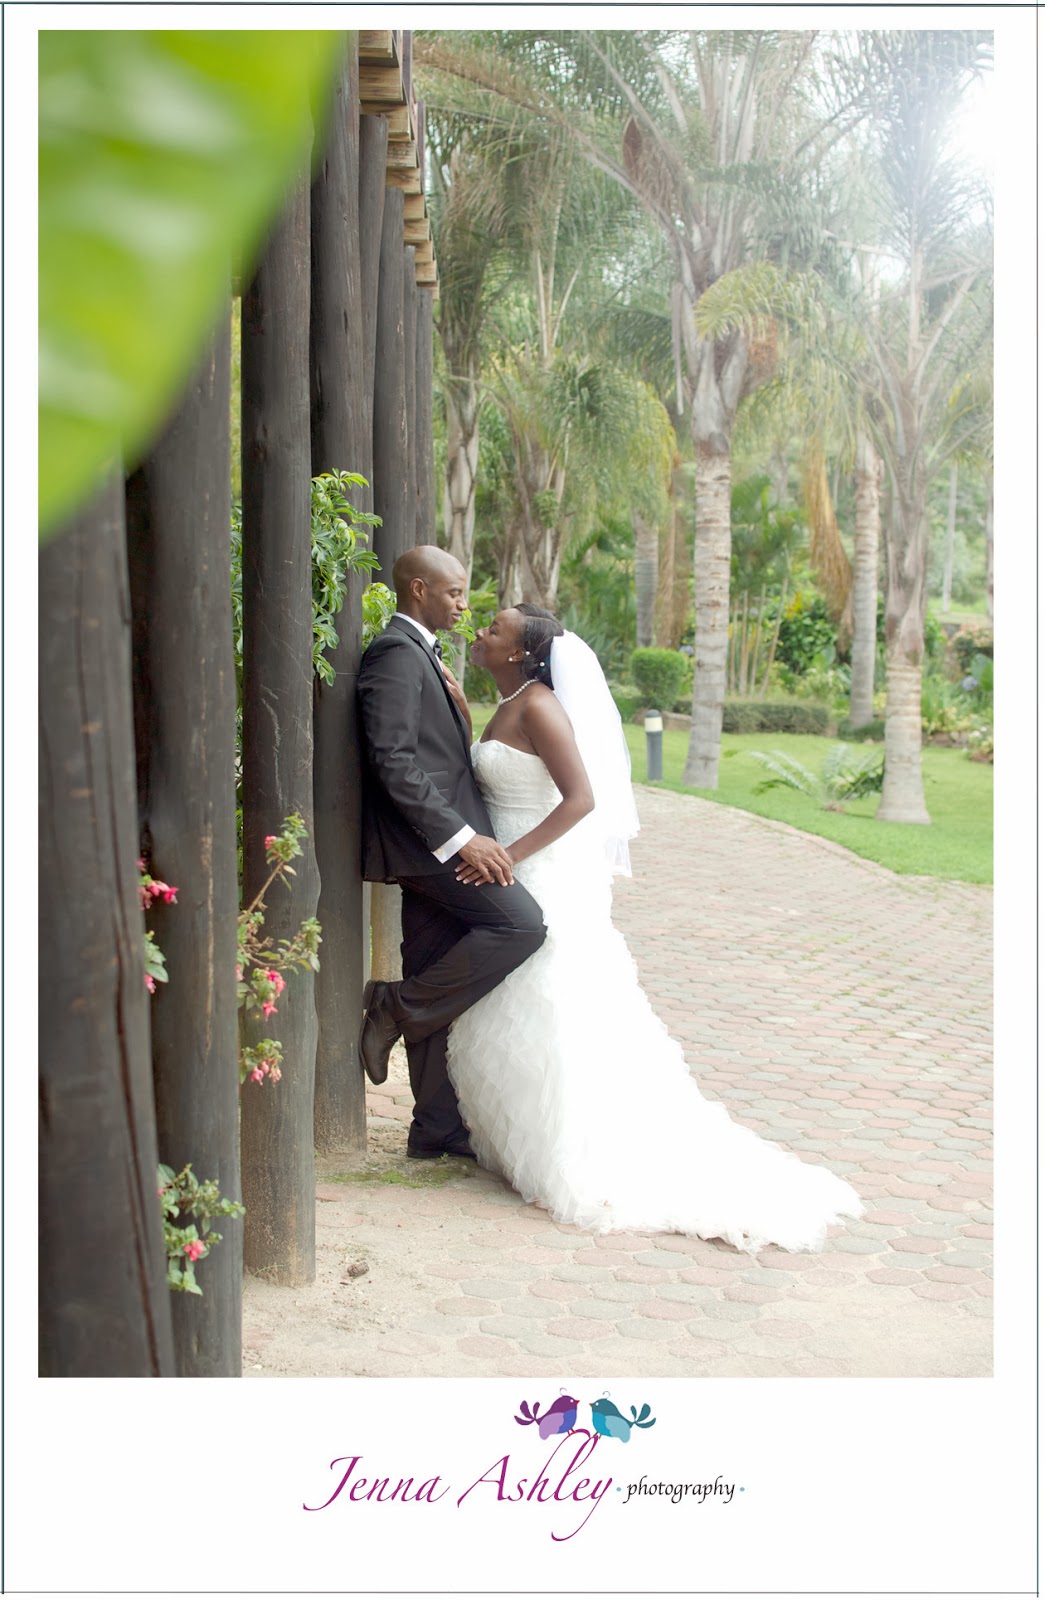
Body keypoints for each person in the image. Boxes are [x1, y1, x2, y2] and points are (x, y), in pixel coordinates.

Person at [445, 603, 865, 1253]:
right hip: (508, 872)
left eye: (492, 628)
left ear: (521, 652)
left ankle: (569, 1154)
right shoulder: (508, 703)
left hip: (537, 872)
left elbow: (582, 800)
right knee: (510, 1005)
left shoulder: (541, 707)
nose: (479, 633)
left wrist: (512, 856)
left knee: (554, 1007)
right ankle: (514, 1145)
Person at [356, 547, 546, 1160]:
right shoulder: (395, 652)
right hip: (428, 845)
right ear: (419, 589)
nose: (465, 606)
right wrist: (463, 838)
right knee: (521, 924)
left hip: (438, 842)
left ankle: (435, 1128)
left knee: (434, 963)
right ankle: (394, 1005)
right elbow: (394, 759)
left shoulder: (421, 656)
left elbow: (432, 752)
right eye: (455, 594)